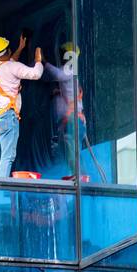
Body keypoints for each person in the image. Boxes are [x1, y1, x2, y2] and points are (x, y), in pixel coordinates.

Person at [0, 34, 43, 178]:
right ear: (7, 50)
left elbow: (9, 63)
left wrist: (20, 48)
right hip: (7, 117)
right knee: (7, 156)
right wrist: (38, 61)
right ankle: (2, 187)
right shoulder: (12, 67)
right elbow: (36, 74)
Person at [42, 42, 85, 179]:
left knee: (70, 146)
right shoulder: (69, 70)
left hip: (74, 118)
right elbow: (48, 76)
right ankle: (76, 174)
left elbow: (57, 74)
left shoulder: (70, 69)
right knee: (69, 148)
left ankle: (78, 175)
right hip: (72, 118)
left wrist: (43, 61)